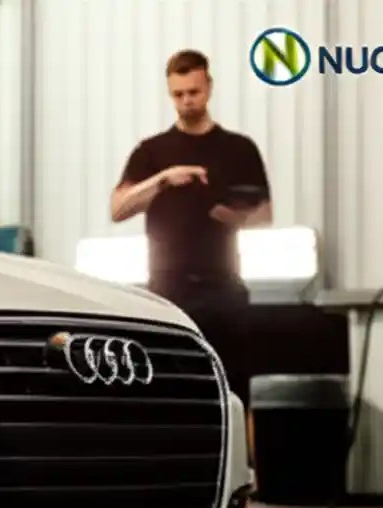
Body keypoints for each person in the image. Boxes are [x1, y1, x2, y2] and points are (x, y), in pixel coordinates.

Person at [110, 49, 273, 407]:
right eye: (178, 94)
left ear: (208, 87)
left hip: (223, 289)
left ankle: (240, 463)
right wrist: (164, 180)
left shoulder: (239, 149)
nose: (186, 101)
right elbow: (119, 208)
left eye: (193, 92)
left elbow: (265, 214)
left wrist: (232, 215)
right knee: (170, 394)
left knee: (232, 394)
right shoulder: (152, 152)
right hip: (168, 293)